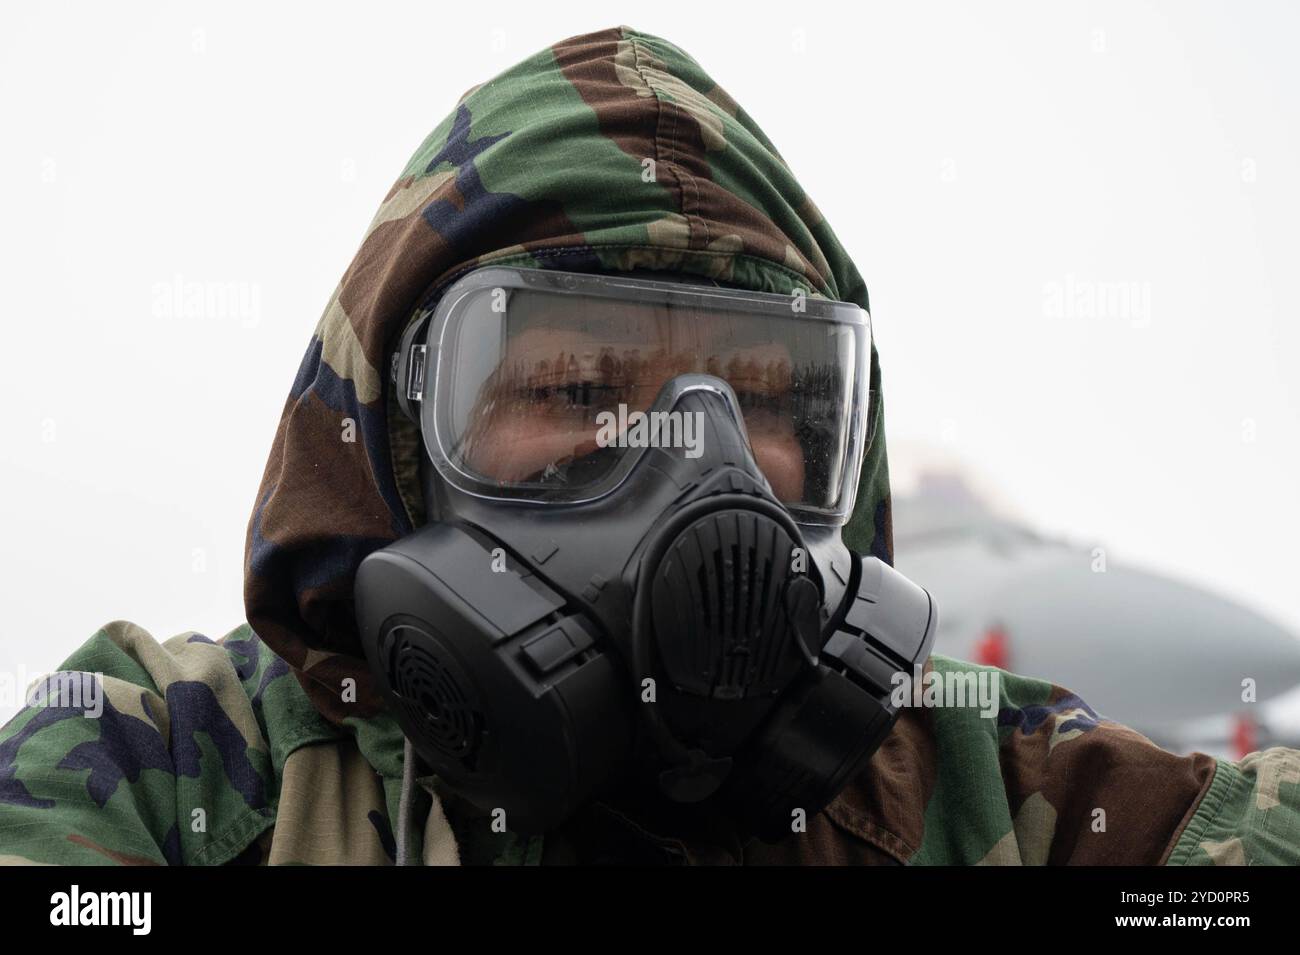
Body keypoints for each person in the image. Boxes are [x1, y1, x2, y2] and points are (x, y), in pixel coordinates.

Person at [2, 25, 1297, 866]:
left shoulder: (1001, 794)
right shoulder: (168, 764)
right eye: (575, 382)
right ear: (400, 442)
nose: (694, 457)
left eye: (767, 398)